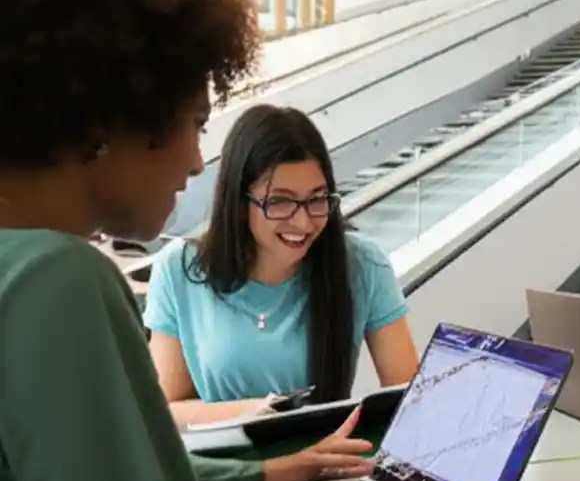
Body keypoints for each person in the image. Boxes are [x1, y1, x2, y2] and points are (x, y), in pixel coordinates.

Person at [0, 0, 498, 481]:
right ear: (114, 112)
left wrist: (265, 473)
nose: (196, 162)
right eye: (194, 123)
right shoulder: (55, 282)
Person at [145, 104, 420, 426]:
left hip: (325, 465)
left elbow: (410, 402)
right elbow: (166, 411)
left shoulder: (362, 264)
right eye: (280, 201)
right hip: (225, 469)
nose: (302, 222)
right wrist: (264, 412)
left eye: (317, 199)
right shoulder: (179, 269)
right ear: (238, 199)